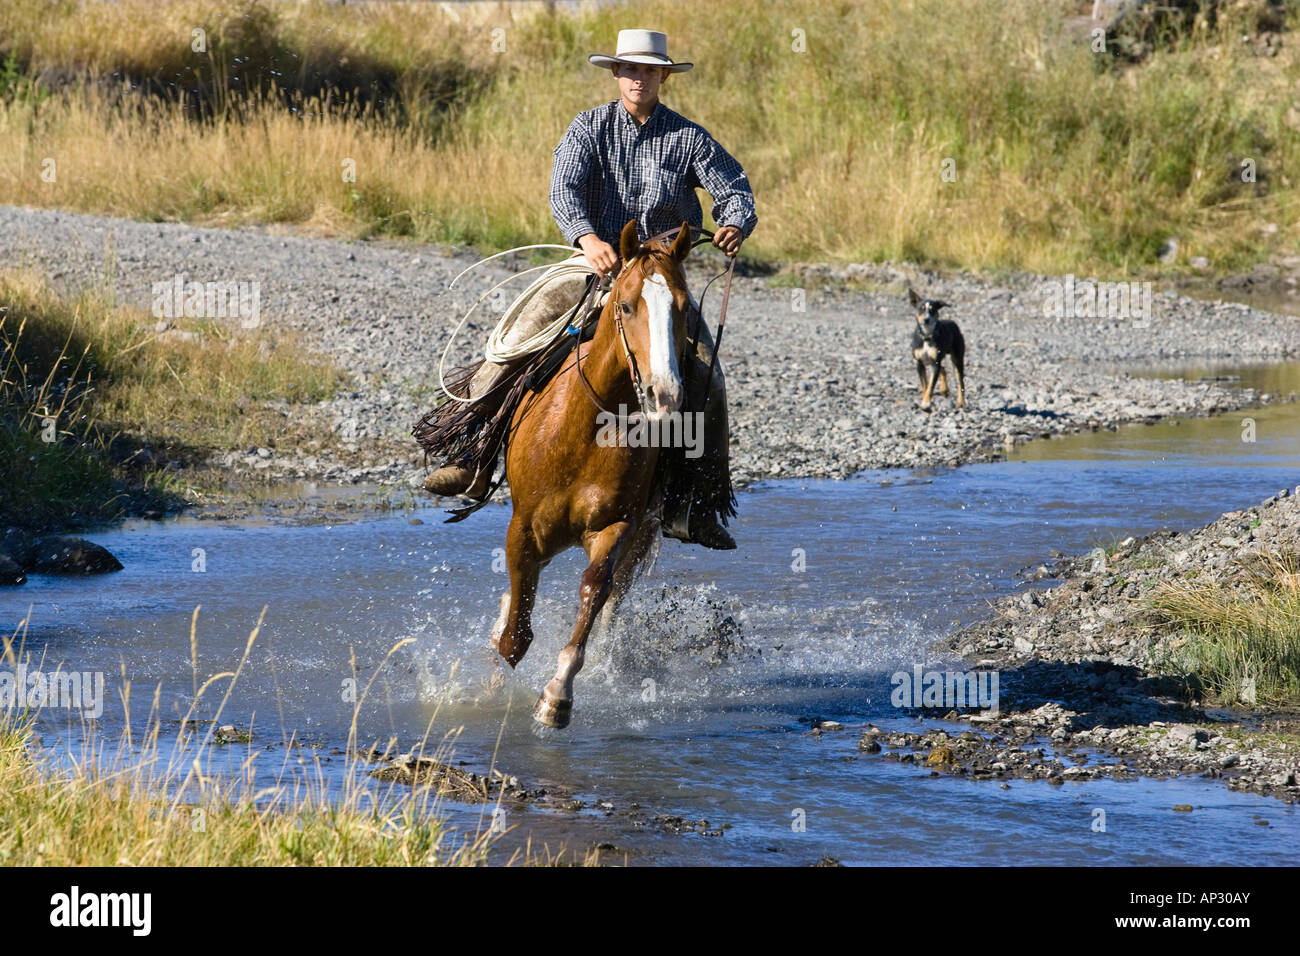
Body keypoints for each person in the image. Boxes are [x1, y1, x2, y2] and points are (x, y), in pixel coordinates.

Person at [424, 28, 757, 550]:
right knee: (517, 337)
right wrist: (587, 237)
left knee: (707, 379)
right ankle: (471, 453)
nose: (638, 79)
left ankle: (691, 503)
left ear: (663, 76)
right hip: (596, 267)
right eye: (630, 70)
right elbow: (564, 189)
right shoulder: (588, 128)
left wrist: (736, 220)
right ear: (615, 74)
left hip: (662, 278)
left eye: (649, 70)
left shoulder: (689, 138)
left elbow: (733, 186)